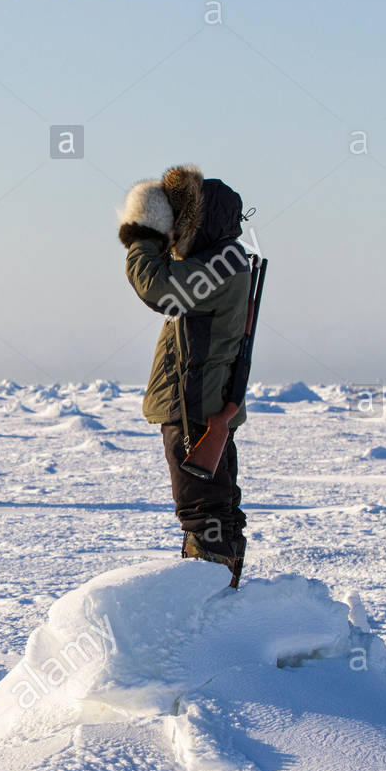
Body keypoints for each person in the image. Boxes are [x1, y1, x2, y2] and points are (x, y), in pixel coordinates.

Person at [116, 164, 252, 584]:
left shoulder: (223, 264)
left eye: (177, 220)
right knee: (217, 512)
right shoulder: (221, 262)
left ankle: (205, 609)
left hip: (195, 409)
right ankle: (224, 603)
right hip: (200, 406)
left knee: (204, 515)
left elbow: (158, 288)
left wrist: (144, 235)